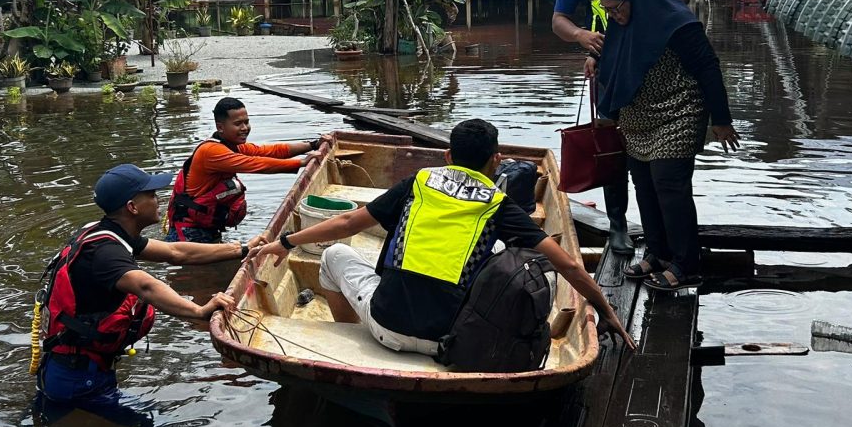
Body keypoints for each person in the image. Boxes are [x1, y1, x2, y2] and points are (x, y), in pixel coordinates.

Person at [251, 118, 635, 357]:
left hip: (387, 327)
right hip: (451, 339)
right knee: (506, 251)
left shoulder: (419, 181)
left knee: (334, 256)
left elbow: (349, 223)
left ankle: (354, 341)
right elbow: (566, 263)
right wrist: (606, 311)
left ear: (448, 156)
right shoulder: (498, 204)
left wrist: (284, 243)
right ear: (496, 160)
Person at [37, 164, 241, 419]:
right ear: (132, 208)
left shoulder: (108, 232)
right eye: (152, 196)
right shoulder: (105, 253)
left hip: (72, 369)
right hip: (78, 379)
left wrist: (240, 249)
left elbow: (176, 252)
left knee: (55, 419)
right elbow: (145, 286)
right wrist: (199, 311)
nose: (159, 200)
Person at [551, 0, 689, 255]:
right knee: (613, 147)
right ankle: (617, 226)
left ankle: (662, 231)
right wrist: (582, 36)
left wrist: (640, 24)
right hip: (608, 69)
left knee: (656, 148)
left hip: (654, 66)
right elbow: (559, 20)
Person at [594, 0, 739, 291]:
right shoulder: (623, 26)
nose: (615, 16)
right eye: (608, 11)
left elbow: (708, 67)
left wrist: (721, 119)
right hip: (637, 119)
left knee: (669, 185)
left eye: (618, 8)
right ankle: (658, 253)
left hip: (678, 112)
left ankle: (687, 265)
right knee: (644, 185)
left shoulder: (677, 23)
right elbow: (617, 64)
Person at [166, 97, 324, 243]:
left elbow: (270, 151)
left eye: (246, 122)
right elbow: (255, 164)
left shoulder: (232, 146)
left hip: (205, 226)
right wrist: (301, 163)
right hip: (188, 231)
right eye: (238, 124)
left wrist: (313, 145)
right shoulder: (211, 152)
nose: (245, 128)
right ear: (220, 127)